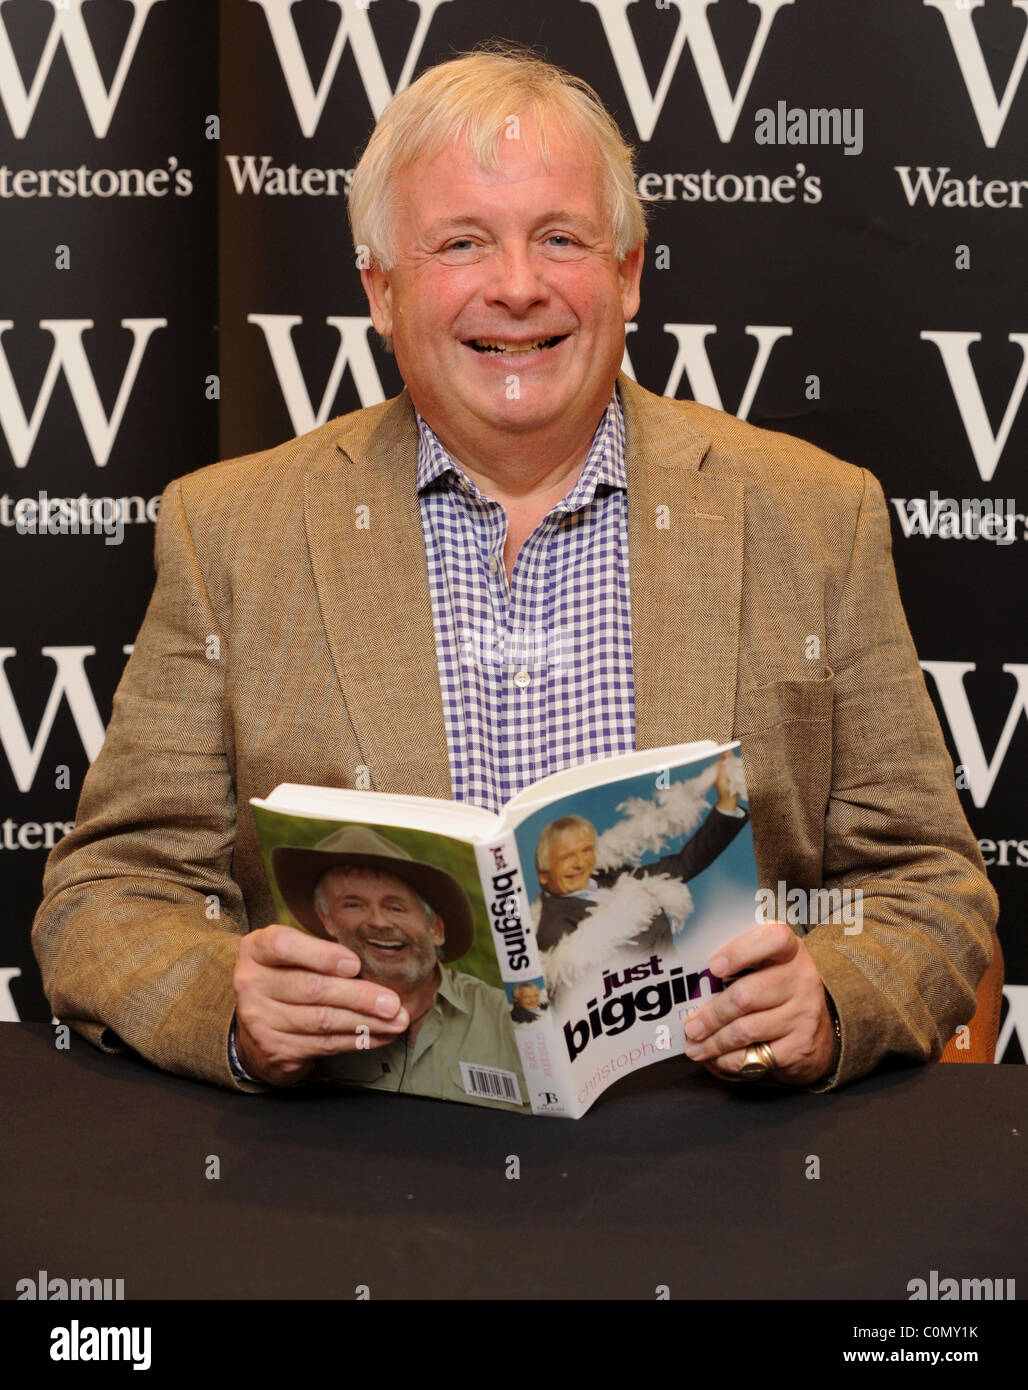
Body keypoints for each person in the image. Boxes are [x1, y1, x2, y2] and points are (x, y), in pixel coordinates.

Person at [32, 44, 997, 1099]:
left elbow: (926, 889)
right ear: (382, 290)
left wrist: (830, 997)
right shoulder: (229, 530)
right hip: (353, 1171)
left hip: (715, 1161)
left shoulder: (815, 516)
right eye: (459, 243)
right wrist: (232, 1000)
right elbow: (108, 892)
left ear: (625, 274)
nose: (517, 286)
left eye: (559, 238)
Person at [267, 825, 526, 1109]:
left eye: (396, 908)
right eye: (353, 905)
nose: (378, 921)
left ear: (436, 929)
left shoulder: (508, 1018)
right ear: (327, 921)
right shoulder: (301, 1011)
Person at [535, 752, 748, 956]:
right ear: (543, 874)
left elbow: (683, 865)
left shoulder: (609, 878)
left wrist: (726, 801)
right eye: (566, 857)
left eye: (586, 850)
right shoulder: (552, 927)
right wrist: (636, 901)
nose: (580, 863)